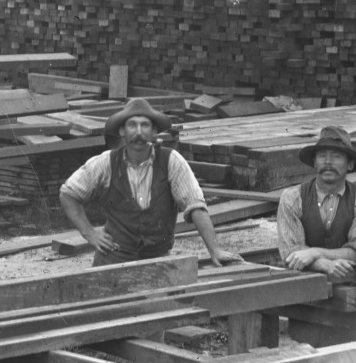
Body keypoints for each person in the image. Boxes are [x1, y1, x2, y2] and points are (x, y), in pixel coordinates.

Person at [58, 98, 243, 268]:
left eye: (145, 125)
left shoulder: (171, 161)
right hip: (112, 261)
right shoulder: (106, 163)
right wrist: (89, 233)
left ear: (154, 131)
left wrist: (214, 250)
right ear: (122, 131)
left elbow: (196, 206)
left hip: (158, 261)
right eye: (132, 125)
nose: (139, 132)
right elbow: (68, 193)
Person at [277, 126, 356, 281]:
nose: (328, 162)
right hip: (303, 285)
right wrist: (324, 265)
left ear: (350, 164)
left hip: (351, 285)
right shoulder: (292, 198)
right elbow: (292, 253)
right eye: (322, 156)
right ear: (314, 162)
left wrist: (314, 253)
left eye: (337, 156)